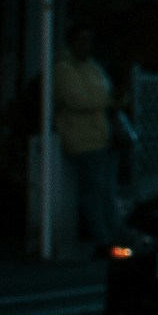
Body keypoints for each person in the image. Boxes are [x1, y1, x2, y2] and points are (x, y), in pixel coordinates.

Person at [51, 24, 123, 247]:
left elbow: (105, 91)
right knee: (94, 191)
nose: (86, 46)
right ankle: (103, 239)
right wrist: (106, 100)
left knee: (107, 191)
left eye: (88, 40)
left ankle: (115, 236)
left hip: (102, 136)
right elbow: (78, 99)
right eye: (81, 40)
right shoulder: (63, 68)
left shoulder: (92, 67)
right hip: (82, 139)